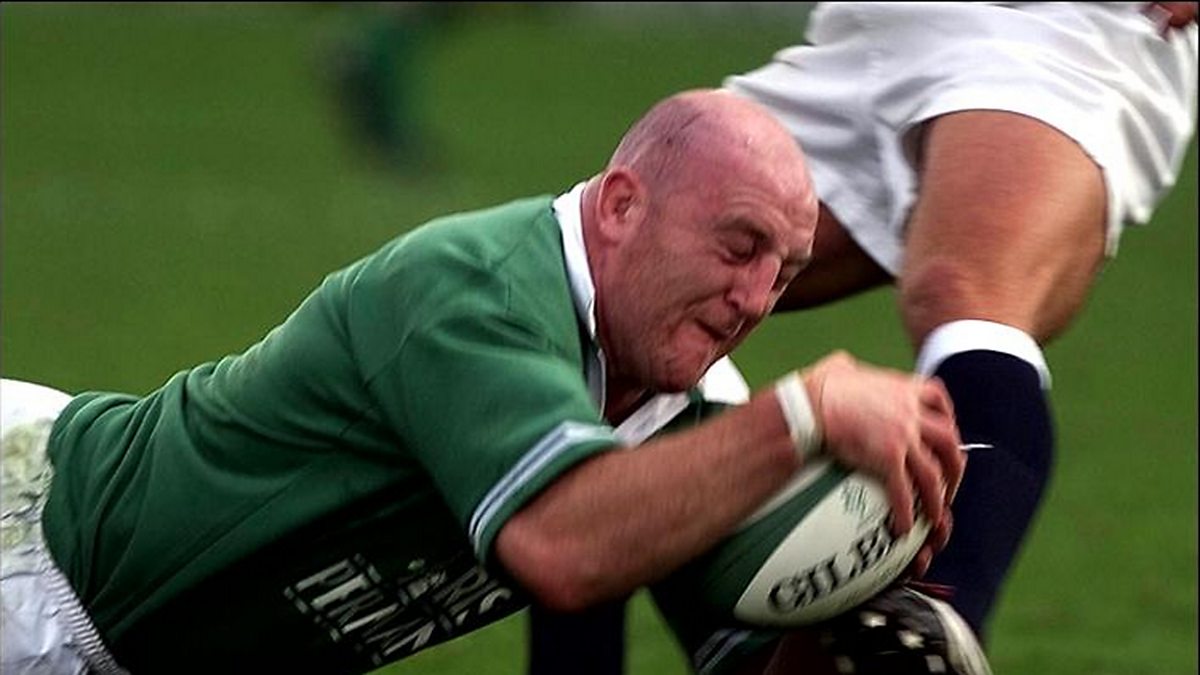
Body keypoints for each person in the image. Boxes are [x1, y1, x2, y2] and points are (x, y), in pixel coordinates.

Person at [0, 89, 969, 675]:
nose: (757, 296)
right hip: (28, 555)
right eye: (738, 246)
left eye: (785, 271)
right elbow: (558, 546)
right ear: (623, 206)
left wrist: (855, 627)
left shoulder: (691, 410)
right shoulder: (471, 291)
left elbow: (745, 658)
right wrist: (801, 415)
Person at [527, 2, 1199, 674]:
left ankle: (922, 627)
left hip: (1053, 26)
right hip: (878, 25)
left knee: (962, 289)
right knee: (607, 283)